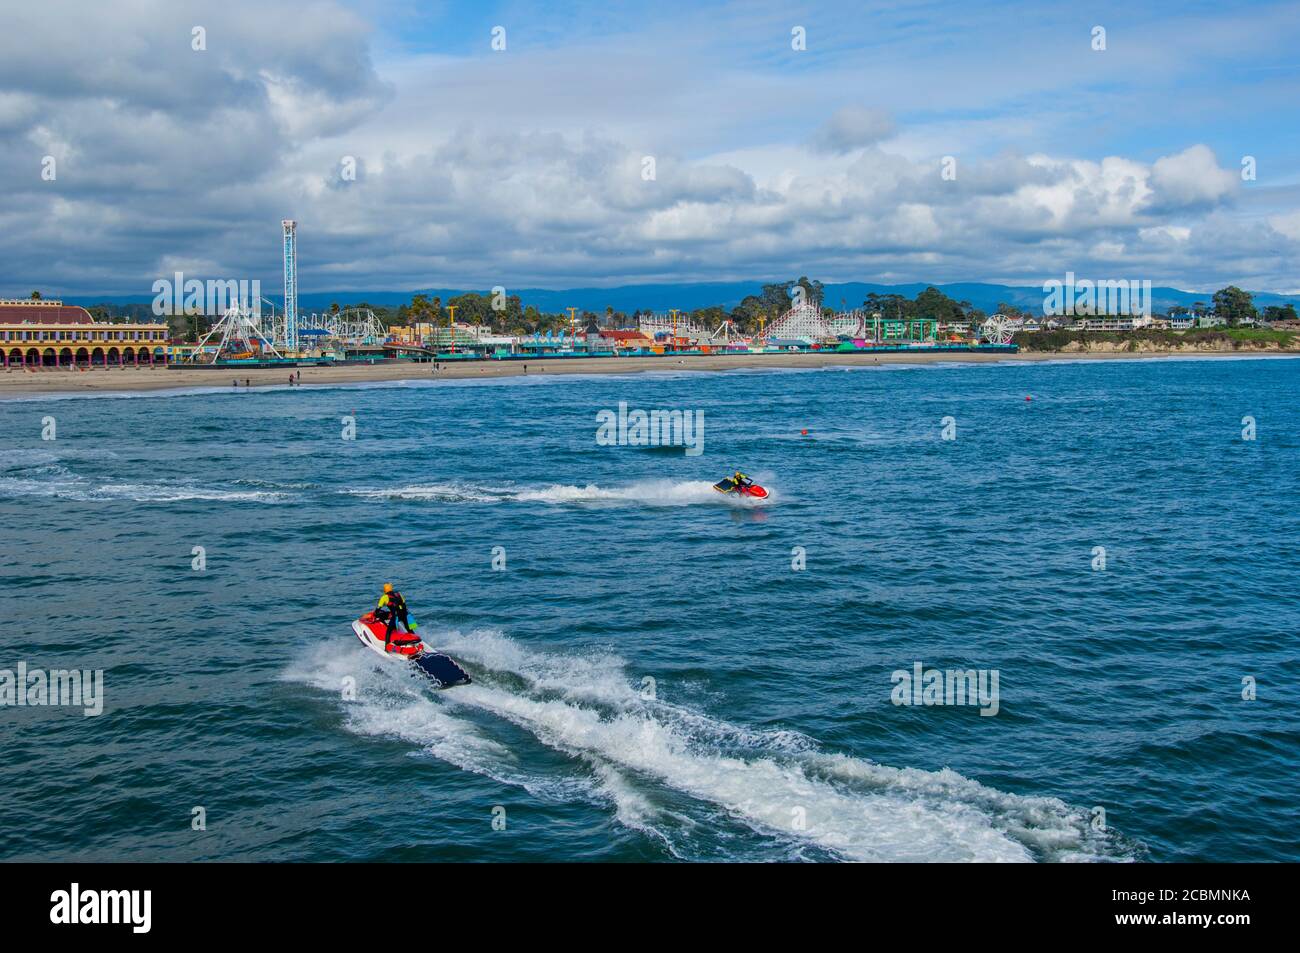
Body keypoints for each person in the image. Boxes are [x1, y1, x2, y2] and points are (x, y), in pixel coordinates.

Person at [375, 582, 418, 651]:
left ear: (384, 590)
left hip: (396, 616)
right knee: (409, 629)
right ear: (391, 588)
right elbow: (403, 603)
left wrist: (377, 613)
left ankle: (386, 647)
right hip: (405, 614)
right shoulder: (399, 594)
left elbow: (378, 608)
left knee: (389, 631)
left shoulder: (384, 597)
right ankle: (416, 642)